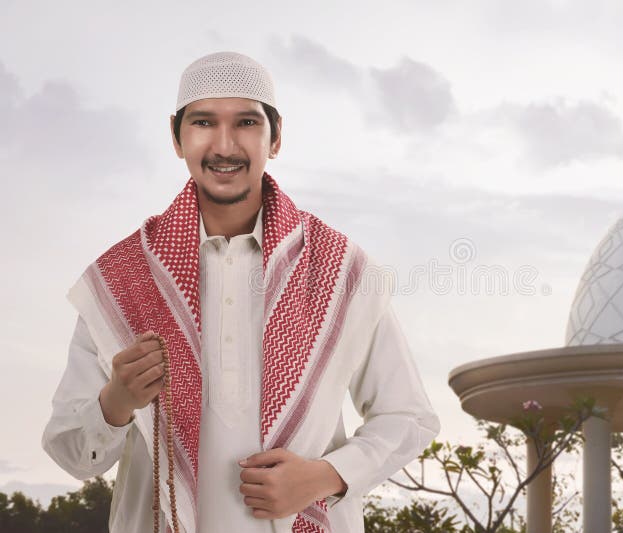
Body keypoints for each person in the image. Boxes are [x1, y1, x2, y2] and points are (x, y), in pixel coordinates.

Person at [41, 51, 440, 533]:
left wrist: (326, 475)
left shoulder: (342, 272)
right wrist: (117, 402)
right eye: (204, 122)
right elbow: (72, 453)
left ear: (275, 137)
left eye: (246, 122)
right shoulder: (122, 280)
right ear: (176, 136)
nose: (224, 145)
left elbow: (409, 418)